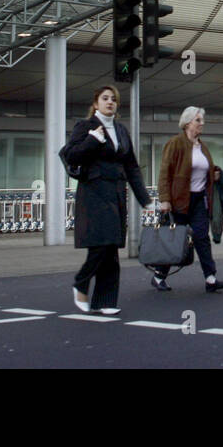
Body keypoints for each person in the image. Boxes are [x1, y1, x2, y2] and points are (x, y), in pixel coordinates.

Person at [65, 85, 151, 314]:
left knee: (111, 246)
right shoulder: (85, 127)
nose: (110, 102)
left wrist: (145, 199)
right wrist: (92, 140)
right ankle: (81, 282)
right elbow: (70, 155)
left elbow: (131, 166)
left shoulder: (121, 130)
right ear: (95, 103)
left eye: (113, 99)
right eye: (105, 98)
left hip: (115, 192)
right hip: (94, 193)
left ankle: (105, 302)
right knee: (102, 244)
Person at [152, 107, 223, 293]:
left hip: (198, 200)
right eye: (198, 120)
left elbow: (204, 171)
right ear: (187, 123)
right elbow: (164, 174)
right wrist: (164, 200)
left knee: (202, 238)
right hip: (178, 200)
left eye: (202, 120)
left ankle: (210, 278)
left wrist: (215, 175)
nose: (202, 123)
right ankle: (158, 276)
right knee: (175, 240)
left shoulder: (202, 146)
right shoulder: (175, 143)